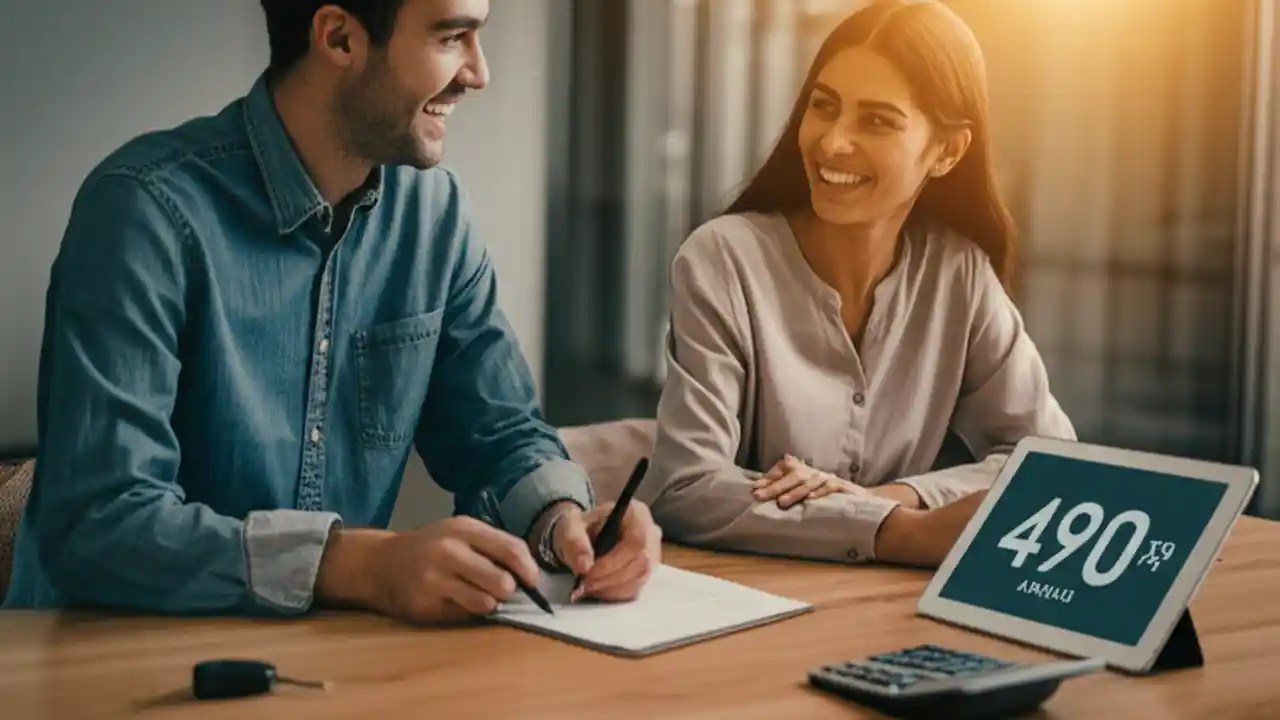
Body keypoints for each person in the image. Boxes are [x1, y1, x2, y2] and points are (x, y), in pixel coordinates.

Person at [4, 0, 660, 621]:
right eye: (451, 36)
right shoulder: (143, 214)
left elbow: (500, 433)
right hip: (105, 661)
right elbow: (101, 522)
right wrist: (360, 565)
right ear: (339, 37)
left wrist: (562, 520)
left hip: (323, 661)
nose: (478, 73)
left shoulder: (434, 218)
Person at [643, 0, 1073, 567]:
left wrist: (890, 501)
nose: (832, 143)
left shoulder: (959, 273)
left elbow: (1051, 460)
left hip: (876, 596)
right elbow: (686, 487)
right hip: (743, 591)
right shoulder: (723, 259)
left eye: (877, 121)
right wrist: (899, 532)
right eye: (824, 106)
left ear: (947, 151)